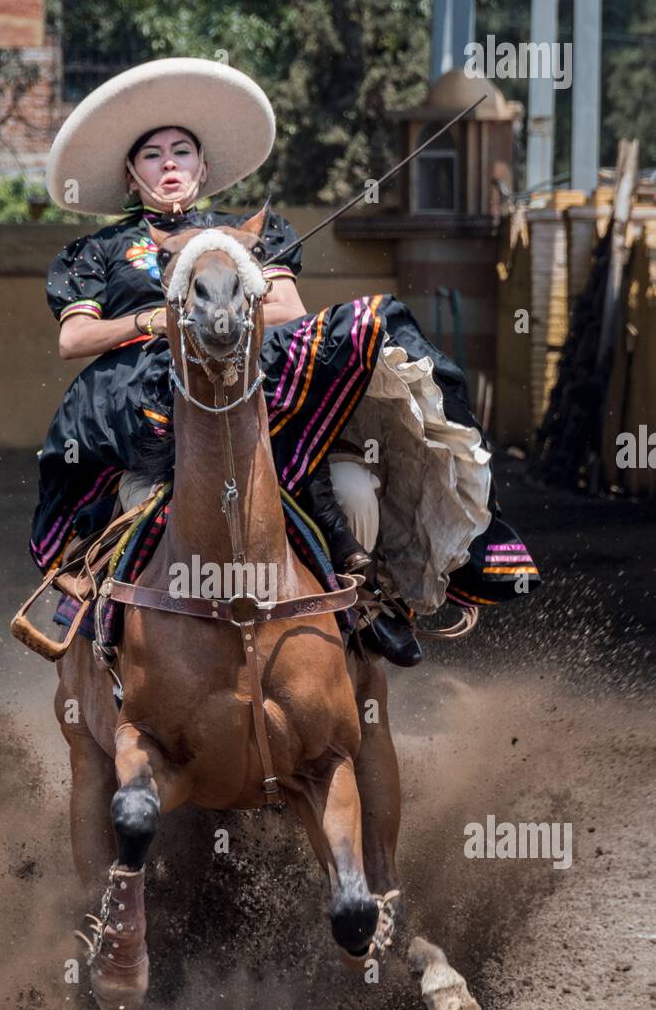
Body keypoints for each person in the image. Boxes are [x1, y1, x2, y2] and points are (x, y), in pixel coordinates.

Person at [32, 57, 538, 667]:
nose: (169, 164)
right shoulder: (99, 251)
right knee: (130, 501)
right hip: (141, 406)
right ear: (131, 175)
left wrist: (226, 311)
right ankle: (105, 624)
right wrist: (157, 321)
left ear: (204, 166)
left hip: (248, 384)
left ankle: (363, 608)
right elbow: (74, 338)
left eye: (182, 152)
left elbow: (289, 311)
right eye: (153, 156)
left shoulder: (248, 232)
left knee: (352, 483)